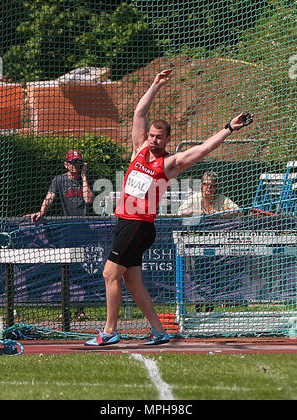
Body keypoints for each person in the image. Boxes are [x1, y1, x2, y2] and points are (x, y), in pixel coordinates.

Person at [85, 68, 253, 347]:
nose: (153, 139)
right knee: (132, 281)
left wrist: (228, 128)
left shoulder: (169, 163)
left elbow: (202, 150)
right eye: (151, 135)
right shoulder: (139, 147)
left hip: (139, 224)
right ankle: (159, 331)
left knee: (109, 273)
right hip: (127, 222)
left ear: (167, 140)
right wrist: (155, 84)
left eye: (159, 137)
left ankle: (109, 330)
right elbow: (139, 113)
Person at [24, 150, 95, 221]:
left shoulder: (89, 180)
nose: (75, 165)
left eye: (78, 162)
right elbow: (50, 197)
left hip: (87, 222)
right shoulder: (59, 180)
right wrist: (42, 211)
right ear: (66, 164)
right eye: (72, 162)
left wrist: (84, 177)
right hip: (68, 221)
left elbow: (88, 200)